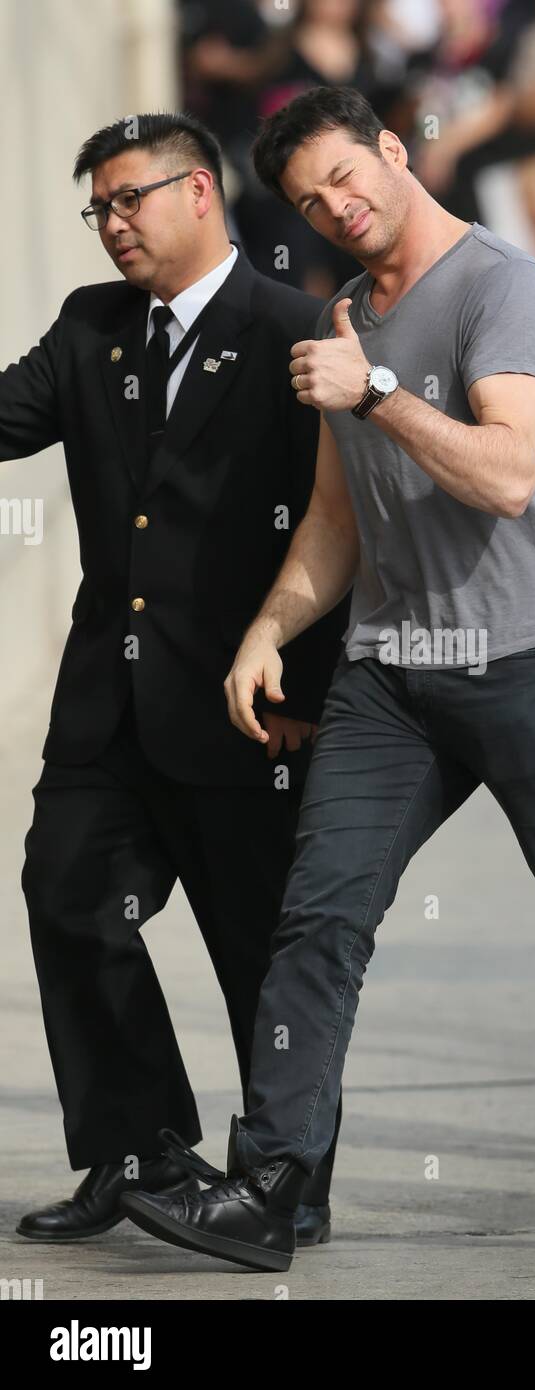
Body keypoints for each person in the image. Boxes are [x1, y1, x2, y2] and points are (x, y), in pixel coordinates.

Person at [121, 86, 535, 1275]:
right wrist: (267, 628)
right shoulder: (339, 313)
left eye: (348, 174)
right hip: (391, 675)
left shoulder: (504, 287)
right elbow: (335, 520)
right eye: (313, 197)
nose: (338, 204)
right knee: (318, 917)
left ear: (392, 150)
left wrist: (374, 388)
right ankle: (274, 1182)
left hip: (530, 659)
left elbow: (505, 472)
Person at [3, 113, 348, 1246]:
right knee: (66, 896)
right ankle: (135, 1149)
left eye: (127, 200)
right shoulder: (91, 325)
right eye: (96, 208)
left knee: (260, 956)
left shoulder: (297, 329)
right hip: (107, 705)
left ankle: (282, 1184)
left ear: (198, 191)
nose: (111, 225)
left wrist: (305, 686)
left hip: (249, 706)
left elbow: (340, 530)